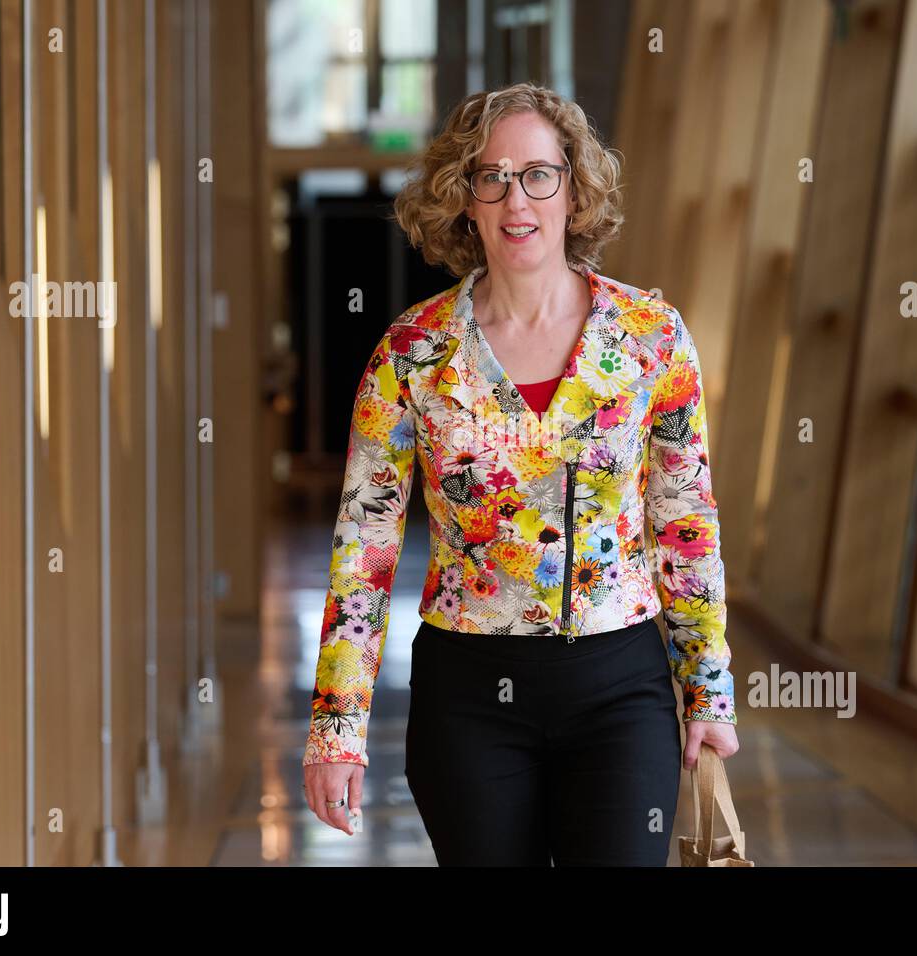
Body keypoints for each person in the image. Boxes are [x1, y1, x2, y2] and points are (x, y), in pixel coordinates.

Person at [302, 81, 739, 865]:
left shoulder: (651, 338)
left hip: (620, 689)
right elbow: (363, 548)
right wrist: (337, 731)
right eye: (492, 176)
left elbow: (685, 521)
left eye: (539, 173)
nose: (516, 198)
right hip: (468, 697)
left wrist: (707, 689)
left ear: (575, 190)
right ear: (463, 199)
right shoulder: (412, 353)